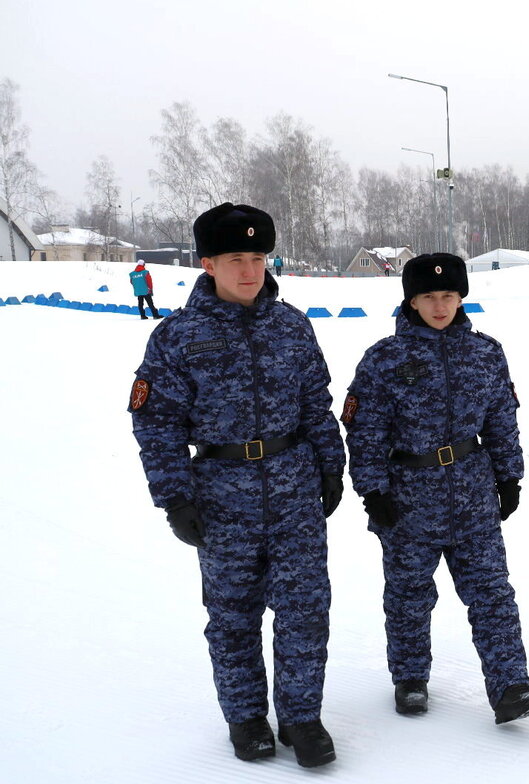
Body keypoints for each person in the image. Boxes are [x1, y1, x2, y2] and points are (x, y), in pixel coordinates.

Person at [128, 203, 346, 768]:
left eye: (258, 257)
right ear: (208, 263)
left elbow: (317, 405)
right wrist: (175, 498)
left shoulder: (292, 325)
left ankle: (302, 718)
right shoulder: (177, 337)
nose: (250, 271)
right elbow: (157, 424)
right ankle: (246, 717)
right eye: (235, 259)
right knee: (233, 615)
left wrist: (330, 465)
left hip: (295, 486)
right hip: (222, 494)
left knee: (305, 609)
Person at [342, 252, 529, 726]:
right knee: (410, 594)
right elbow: (365, 430)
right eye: (429, 297)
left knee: (492, 592)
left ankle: (511, 685)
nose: (440, 306)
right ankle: (410, 678)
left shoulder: (485, 352)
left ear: (461, 298)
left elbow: (501, 420)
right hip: (408, 497)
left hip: (473, 493)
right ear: (411, 301)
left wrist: (508, 477)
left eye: (449, 296)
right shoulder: (384, 358)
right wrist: (372, 492)